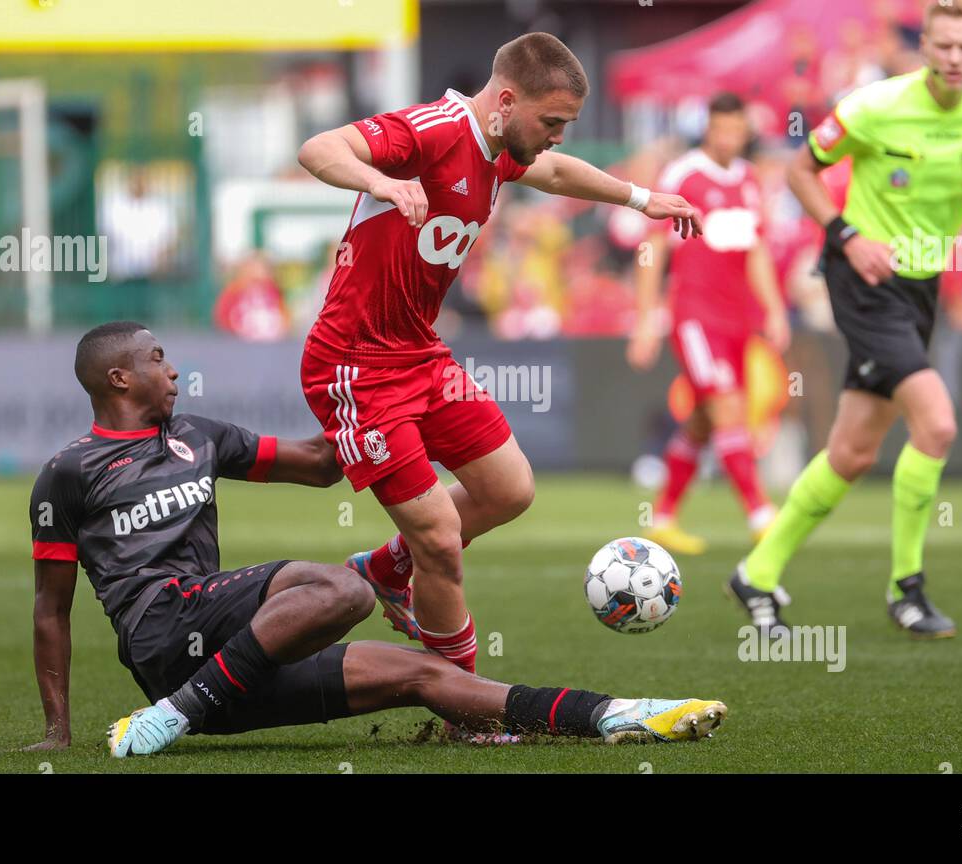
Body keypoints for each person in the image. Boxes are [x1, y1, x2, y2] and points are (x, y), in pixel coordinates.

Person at [26, 321, 728, 757]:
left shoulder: (198, 437)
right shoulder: (67, 474)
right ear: (119, 377)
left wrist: (392, 400)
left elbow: (325, 464)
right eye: (156, 358)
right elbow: (50, 611)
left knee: (428, 677)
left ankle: (617, 716)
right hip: (161, 635)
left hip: (224, 668)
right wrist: (57, 730)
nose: (172, 369)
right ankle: (176, 710)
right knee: (344, 586)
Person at [296, 33, 702, 672]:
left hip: (420, 356)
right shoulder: (430, 131)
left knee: (509, 489)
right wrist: (383, 182)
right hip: (355, 364)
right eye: (552, 121)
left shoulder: (501, 145)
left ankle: (379, 570)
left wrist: (642, 199)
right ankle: (466, 702)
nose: (559, 136)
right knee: (440, 542)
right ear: (507, 100)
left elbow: (557, 172)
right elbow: (319, 148)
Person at [728, 0, 962, 638]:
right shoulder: (874, 106)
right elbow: (802, 171)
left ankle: (757, 573)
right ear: (924, 47)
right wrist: (847, 235)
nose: (956, 58)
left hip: (921, 288)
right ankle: (907, 588)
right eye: (945, 46)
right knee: (936, 423)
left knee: (852, 452)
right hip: (864, 277)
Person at [628, 92, 791, 554]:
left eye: (735, 130)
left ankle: (662, 518)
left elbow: (756, 250)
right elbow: (653, 246)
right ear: (708, 130)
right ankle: (761, 513)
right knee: (726, 407)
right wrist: (645, 318)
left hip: (738, 318)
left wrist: (775, 309)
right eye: (720, 130)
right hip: (695, 316)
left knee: (702, 420)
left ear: (745, 132)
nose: (728, 138)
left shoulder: (748, 181)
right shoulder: (684, 175)